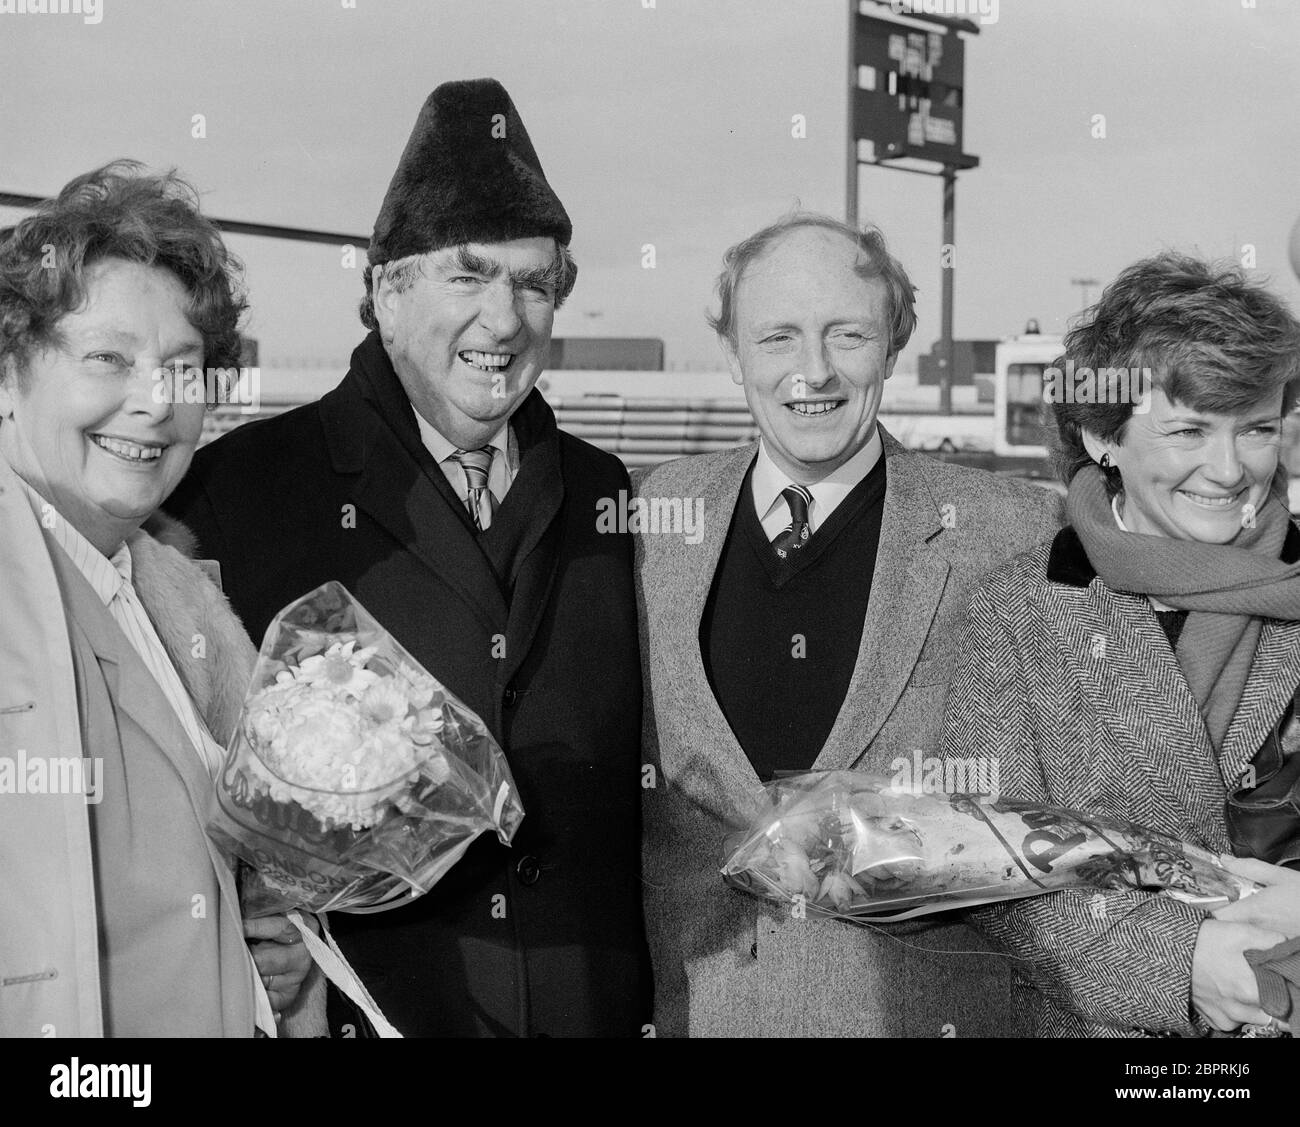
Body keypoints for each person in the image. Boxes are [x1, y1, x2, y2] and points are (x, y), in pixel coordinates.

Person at [164, 79, 651, 1037]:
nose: (504, 320)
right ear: (387, 292)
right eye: (468, 276)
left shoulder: (609, 490)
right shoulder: (233, 493)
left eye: (533, 283)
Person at [635, 211, 1062, 1037]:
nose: (814, 370)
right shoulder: (650, 519)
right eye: (779, 337)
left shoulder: (1011, 532)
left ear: (894, 343)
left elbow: (1057, 806)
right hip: (689, 1013)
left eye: (847, 333)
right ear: (731, 352)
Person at [941, 251, 1300, 1037]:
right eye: (1188, 429)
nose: (1230, 468)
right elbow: (991, 869)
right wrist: (1183, 963)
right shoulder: (1018, 613)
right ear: (1104, 434)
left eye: (1258, 428)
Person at [0, 161, 319, 1037]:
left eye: (184, 367)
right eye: (108, 357)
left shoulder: (169, 597)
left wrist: (267, 953)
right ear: (8, 371)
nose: (155, 402)